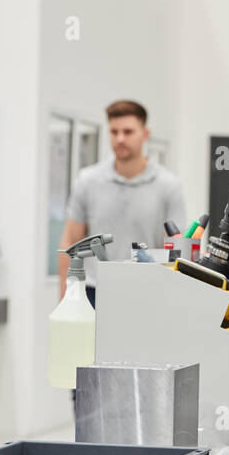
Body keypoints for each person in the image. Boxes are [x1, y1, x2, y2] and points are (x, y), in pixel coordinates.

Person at [58, 99, 188, 306]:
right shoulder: (88, 180)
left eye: (128, 132)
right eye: (114, 131)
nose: (120, 139)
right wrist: (66, 301)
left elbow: (176, 252)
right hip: (93, 293)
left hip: (147, 294)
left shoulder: (168, 186)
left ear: (145, 134)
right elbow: (69, 244)